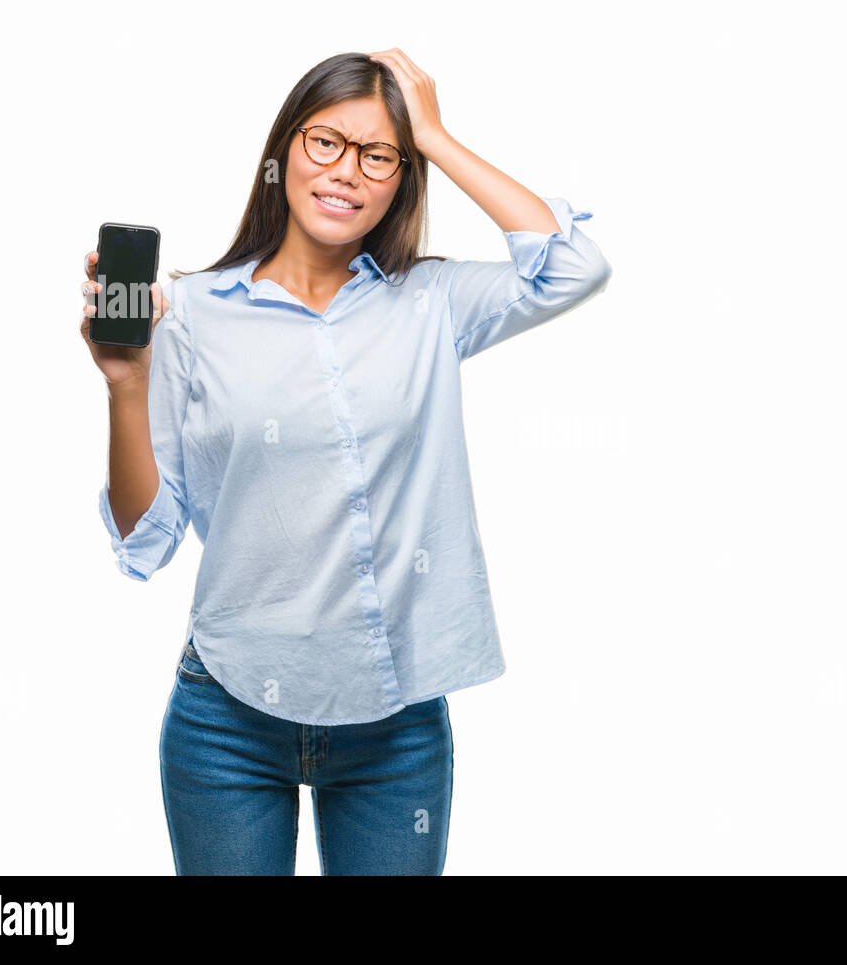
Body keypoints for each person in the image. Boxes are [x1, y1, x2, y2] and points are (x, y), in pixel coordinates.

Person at [78, 49, 611, 875]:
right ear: (282, 153)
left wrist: (434, 133)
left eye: (379, 155)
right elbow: (144, 535)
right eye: (326, 142)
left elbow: (574, 266)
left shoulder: (432, 302)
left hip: (395, 721)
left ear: (404, 177)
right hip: (226, 716)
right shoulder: (190, 314)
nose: (347, 172)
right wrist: (127, 384)